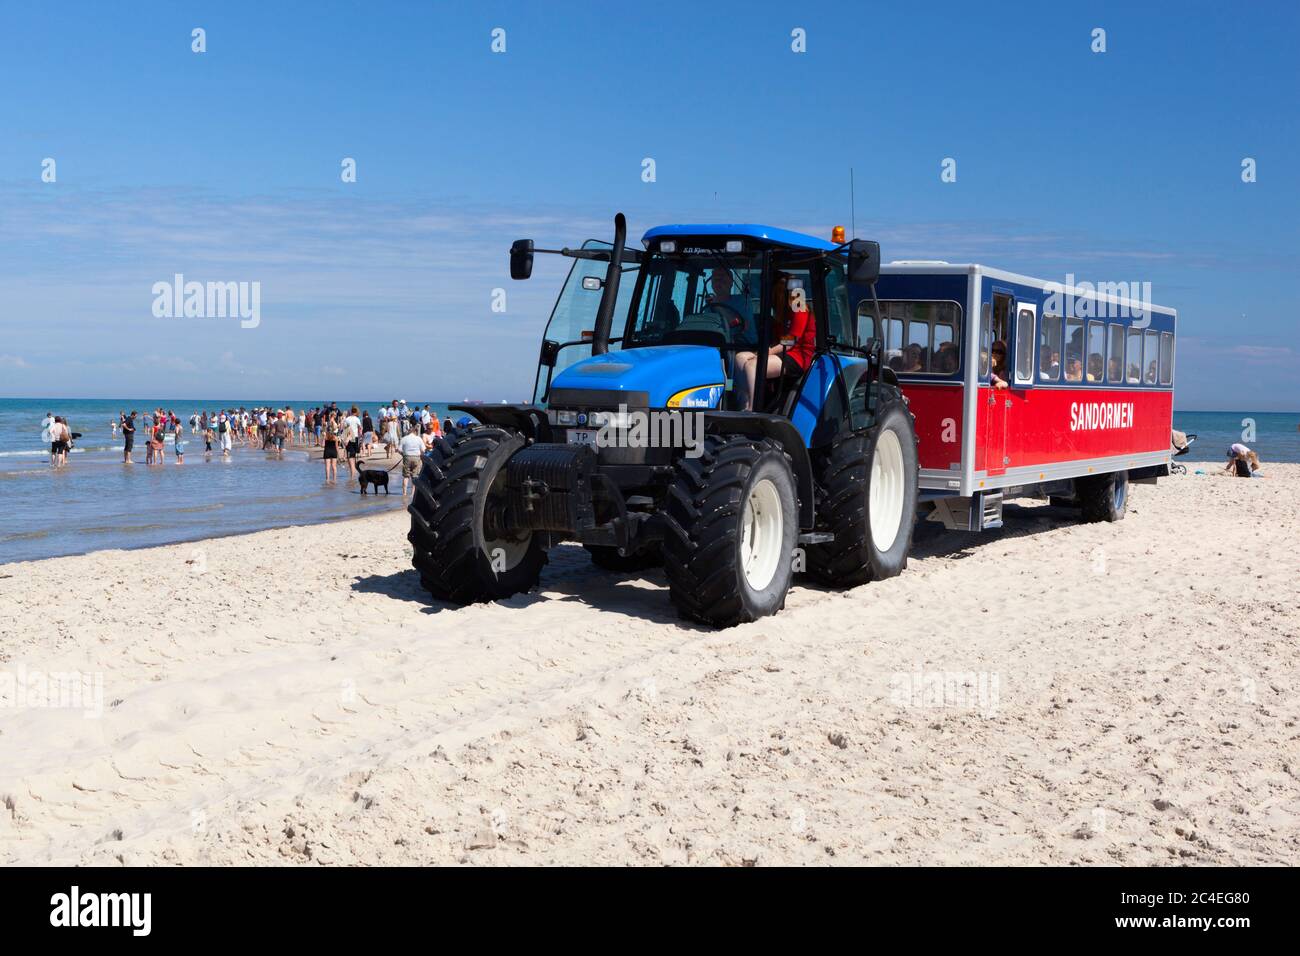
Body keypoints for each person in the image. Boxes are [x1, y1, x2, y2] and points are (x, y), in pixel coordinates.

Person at [734, 273, 815, 411]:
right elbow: (777, 339)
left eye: (775, 293)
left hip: (797, 356)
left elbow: (791, 340)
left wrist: (765, 353)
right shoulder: (780, 314)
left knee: (754, 365)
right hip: (780, 351)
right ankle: (743, 401)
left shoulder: (800, 308)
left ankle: (751, 409)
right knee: (740, 358)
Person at [398, 426, 425, 496]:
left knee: (406, 476)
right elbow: (423, 450)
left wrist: (403, 455)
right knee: (415, 476)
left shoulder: (404, 438)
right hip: (416, 457)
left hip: (407, 457)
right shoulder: (419, 438)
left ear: (408, 432)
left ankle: (404, 493)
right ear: (415, 432)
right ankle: (412, 494)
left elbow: (399, 450)